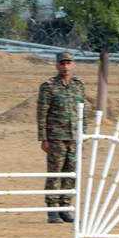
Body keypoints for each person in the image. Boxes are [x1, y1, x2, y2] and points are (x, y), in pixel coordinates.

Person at [37, 51, 86, 224]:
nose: (65, 66)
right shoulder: (48, 86)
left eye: (68, 63)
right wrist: (43, 138)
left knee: (71, 173)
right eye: (62, 63)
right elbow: (42, 113)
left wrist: (83, 134)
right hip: (56, 137)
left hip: (74, 137)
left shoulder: (78, 85)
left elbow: (82, 112)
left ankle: (65, 207)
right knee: (55, 173)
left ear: (73, 65)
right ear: (57, 65)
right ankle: (52, 210)